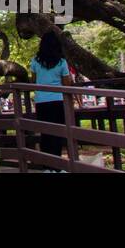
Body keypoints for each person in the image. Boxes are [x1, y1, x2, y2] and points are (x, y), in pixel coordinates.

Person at [29, 30, 74, 166]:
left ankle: (47, 165)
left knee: (45, 132)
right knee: (57, 132)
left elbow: (33, 80)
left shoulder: (35, 61)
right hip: (58, 100)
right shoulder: (61, 62)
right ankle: (57, 164)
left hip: (42, 100)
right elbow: (67, 83)